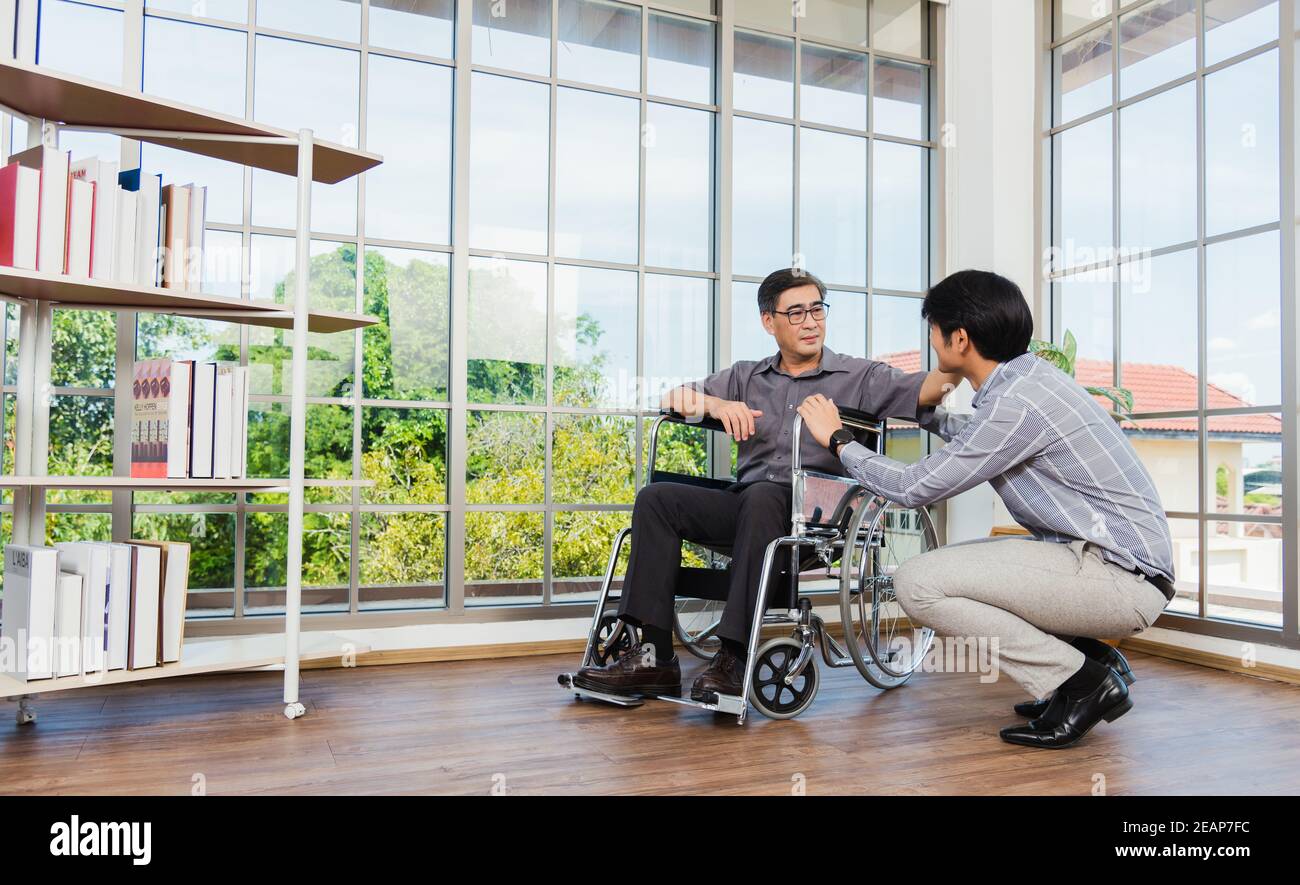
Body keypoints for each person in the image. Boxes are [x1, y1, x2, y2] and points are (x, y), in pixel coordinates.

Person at [797, 269, 1175, 749]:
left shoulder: (1017, 404)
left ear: (960, 338)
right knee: (970, 572)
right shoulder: (1029, 383)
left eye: (933, 333)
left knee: (919, 583)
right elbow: (982, 439)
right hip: (1115, 568)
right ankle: (1087, 660)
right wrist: (925, 414)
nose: (932, 345)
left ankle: (1083, 681)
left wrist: (839, 440)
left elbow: (915, 488)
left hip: (1119, 581)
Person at [572, 267, 958, 702]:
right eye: (795, 313)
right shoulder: (746, 377)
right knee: (657, 499)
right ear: (768, 321)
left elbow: (930, 390)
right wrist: (718, 404)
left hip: (818, 513)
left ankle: (735, 655)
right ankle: (654, 658)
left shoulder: (859, 376)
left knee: (762, 496)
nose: (810, 321)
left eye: (817, 309)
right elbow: (672, 398)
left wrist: (959, 354)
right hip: (750, 506)